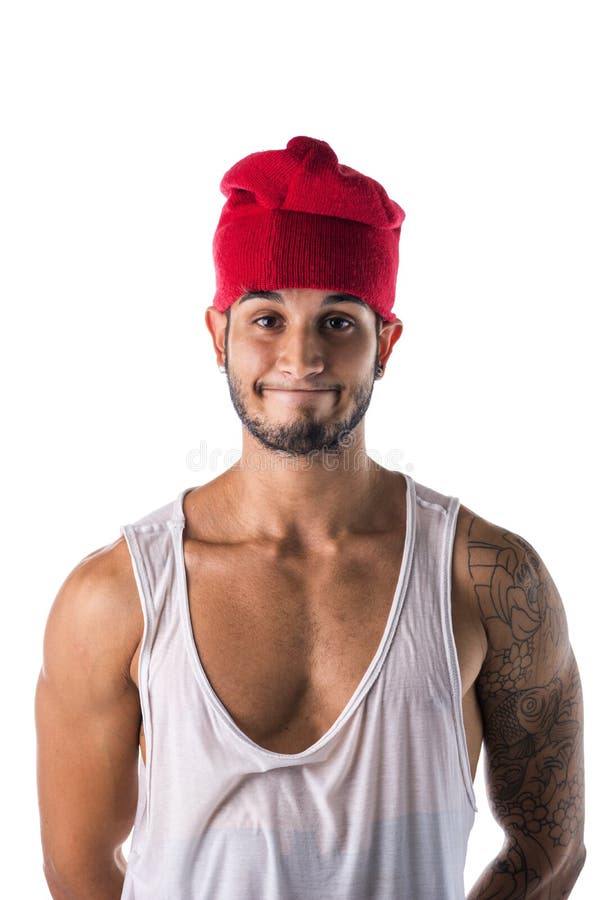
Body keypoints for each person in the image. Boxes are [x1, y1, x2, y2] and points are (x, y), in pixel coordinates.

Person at [35, 136, 586, 899]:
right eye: (266, 319)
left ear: (385, 343)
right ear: (218, 334)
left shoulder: (489, 578)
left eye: (337, 322)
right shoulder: (116, 596)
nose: (301, 359)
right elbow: (79, 868)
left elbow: (549, 848)